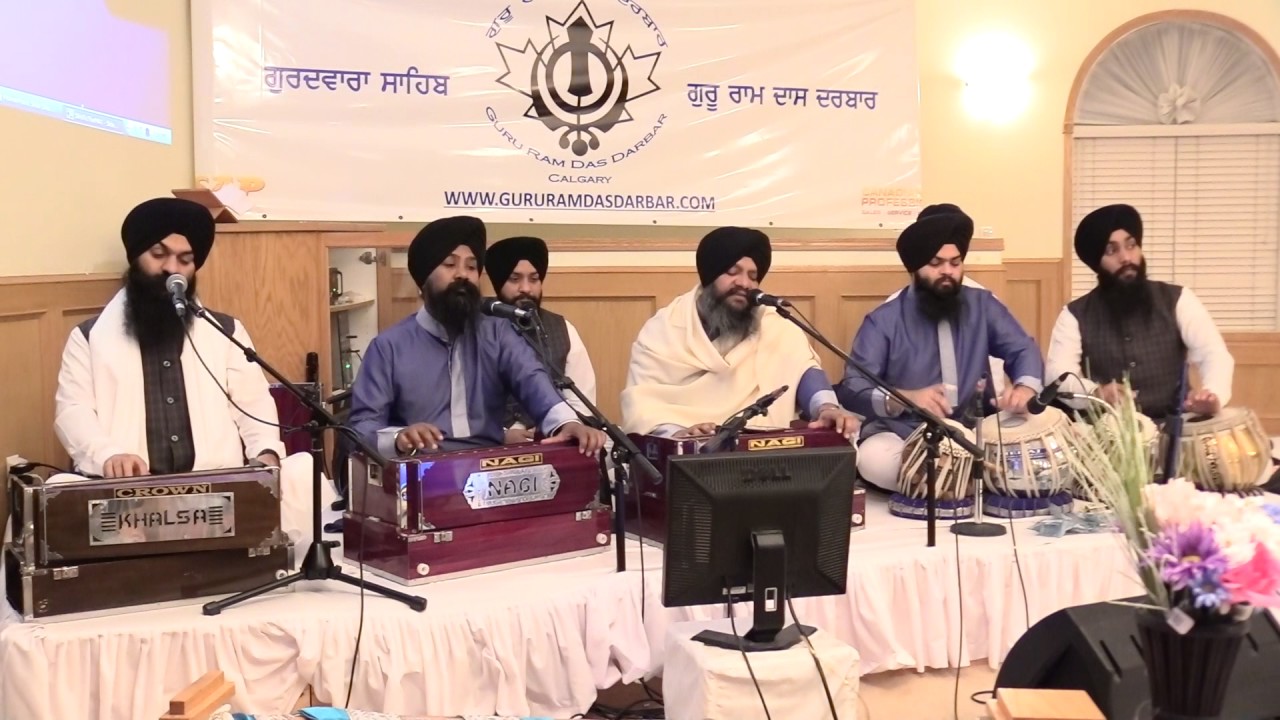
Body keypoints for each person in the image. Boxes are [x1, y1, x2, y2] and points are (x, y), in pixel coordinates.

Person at [54, 197, 285, 478]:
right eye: (158, 253)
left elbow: (254, 403)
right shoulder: (88, 338)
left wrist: (265, 451)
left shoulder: (226, 331)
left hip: (215, 488)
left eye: (185, 259)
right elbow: (73, 412)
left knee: (302, 478)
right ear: (136, 257)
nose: (171, 268)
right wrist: (108, 455)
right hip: (127, 491)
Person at [348, 216, 606, 457]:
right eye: (450, 264)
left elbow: (533, 382)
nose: (463, 274)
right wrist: (398, 438)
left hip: (491, 469)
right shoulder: (389, 347)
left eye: (472, 267)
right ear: (423, 278)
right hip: (422, 476)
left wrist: (567, 422)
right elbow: (361, 427)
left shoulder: (498, 333)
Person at [837, 204, 1045, 492]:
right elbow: (853, 387)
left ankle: (950, 479)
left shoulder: (983, 306)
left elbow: (1022, 349)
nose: (947, 271)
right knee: (874, 458)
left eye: (955, 263)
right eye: (936, 264)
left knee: (1038, 445)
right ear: (915, 268)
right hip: (904, 433)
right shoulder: (884, 320)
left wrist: (1024, 388)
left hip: (975, 429)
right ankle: (969, 478)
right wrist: (904, 398)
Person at [620, 226, 859, 439]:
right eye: (733, 272)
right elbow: (642, 403)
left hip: (758, 451)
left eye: (752, 276)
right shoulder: (664, 329)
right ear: (710, 276)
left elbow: (804, 371)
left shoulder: (774, 325)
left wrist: (827, 408)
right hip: (685, 452)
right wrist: (676, 433)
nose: (744, 283)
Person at [1047, 203, 1233, 419]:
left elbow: (1214, 354)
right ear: (1098, 263)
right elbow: (1057, 374)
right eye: (1112, 250)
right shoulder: (1074, 315)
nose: (1126, 257)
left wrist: (1213, 395)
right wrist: (1096, 392)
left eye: (1131, 245)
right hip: (1109, 434)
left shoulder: (1178, 299)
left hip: (1174, 430)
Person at [484, 235, 597, 444]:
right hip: (490, 448)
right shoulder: (477, 331)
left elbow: (581, 400)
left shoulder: (562, 328)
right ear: (498, 283)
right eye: (514, 279)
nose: (526, 288)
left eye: (534, 279)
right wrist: (501, 434)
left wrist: (561, 425)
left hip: (551, 442)